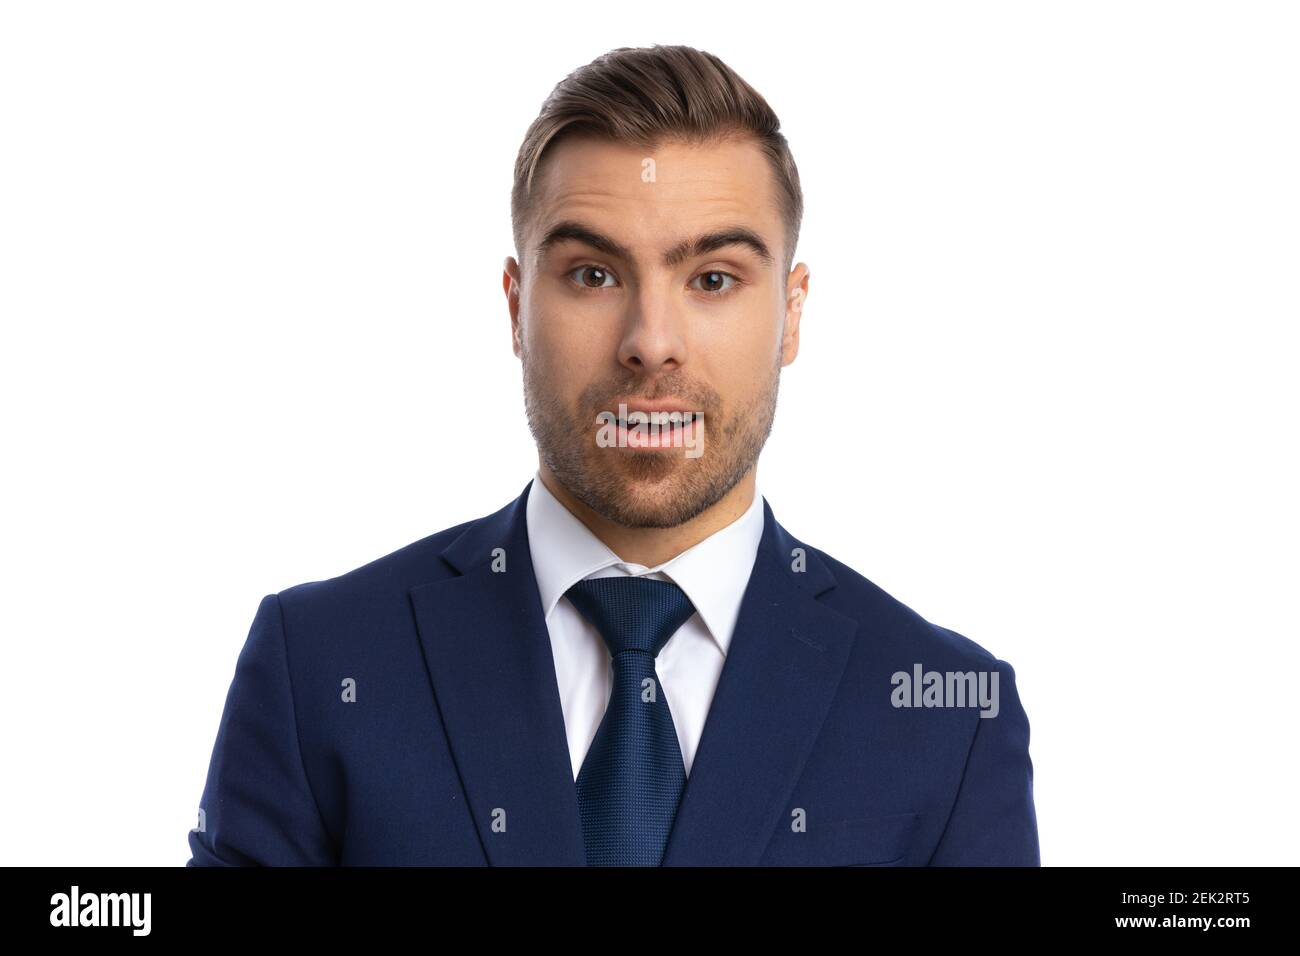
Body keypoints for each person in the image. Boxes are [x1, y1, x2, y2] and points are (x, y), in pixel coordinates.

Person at [187, 43, 1039, 867]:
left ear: (793, 313)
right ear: (517, 307)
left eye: (712, 279)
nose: (650, 343)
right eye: (594, 275)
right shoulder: (320, 665)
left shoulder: (950, 717)